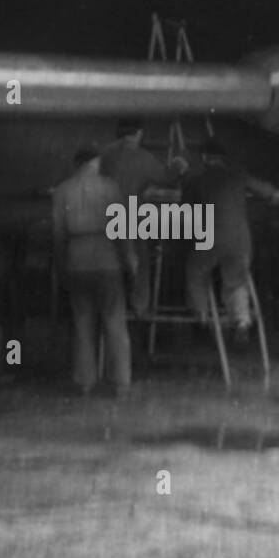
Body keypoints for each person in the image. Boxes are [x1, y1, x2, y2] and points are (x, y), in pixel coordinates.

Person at [51, 146, 132, 395]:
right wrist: (128, 260)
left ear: (77, 165)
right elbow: (122, 230)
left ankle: (85, 382)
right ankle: (119, 383)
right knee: (114, 321)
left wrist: (61, 266)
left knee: (82, 322)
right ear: (96, 162)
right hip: (107, 259)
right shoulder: (110, 187)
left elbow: (58, 234)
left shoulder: (62, 190)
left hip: (77, 260)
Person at [181, 141, 274, 342]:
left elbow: (185, 209)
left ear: (204, 157)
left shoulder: (198, 179)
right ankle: (242, 321)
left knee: (196, 271)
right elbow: (268, 192)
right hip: (241, 239)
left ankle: (201, 318)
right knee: (237, 280)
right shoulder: (238, 174)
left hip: (211, 237)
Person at [99, 120, 187, 314]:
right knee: (141, 262)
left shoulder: (106, 153)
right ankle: (140, 305)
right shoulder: (143, 158)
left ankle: (108, 305)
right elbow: (166, 178)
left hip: (104, 214)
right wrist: (177, 167)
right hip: (129, 216)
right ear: (138, 133)